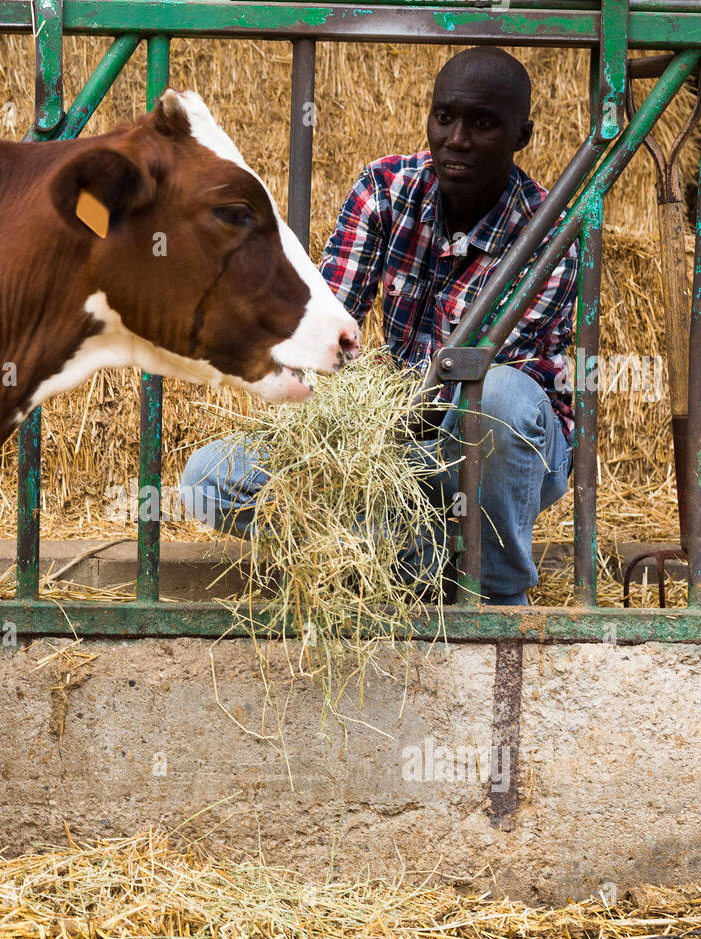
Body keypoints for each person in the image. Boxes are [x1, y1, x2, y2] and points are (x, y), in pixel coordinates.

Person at [180, 46, 579, 605]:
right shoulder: (386, 187)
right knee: (207, 480)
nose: (456, 139)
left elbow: (471, 380)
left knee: (499, 400)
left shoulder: (548, 230)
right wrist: (344, 431)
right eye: (445, 117)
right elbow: (323, 330)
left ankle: (494, 597)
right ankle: (426, 561)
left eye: (482, 124)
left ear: (522, 135)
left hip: (491, 450)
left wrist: (378, 422)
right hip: (392, 449)